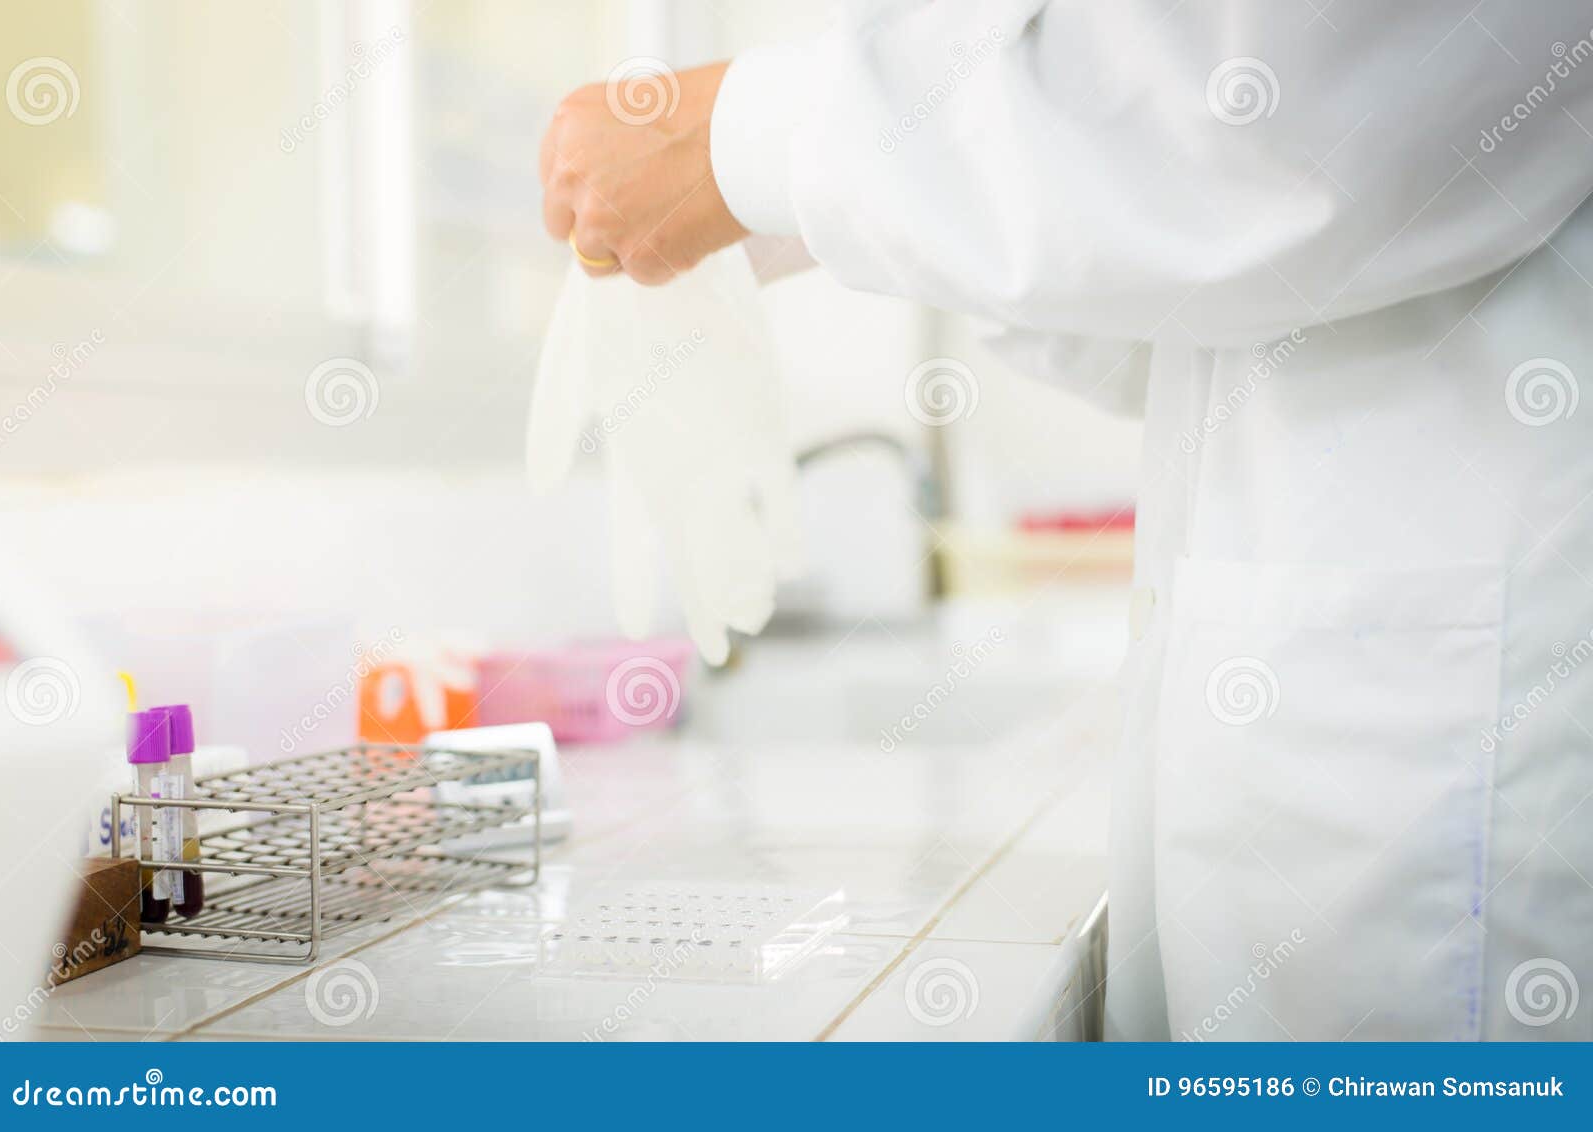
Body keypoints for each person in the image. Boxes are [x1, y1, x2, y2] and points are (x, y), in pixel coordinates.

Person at [538, 2, 1593, 1041]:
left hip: (1472, 809)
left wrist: (748, 134)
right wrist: (809, 195)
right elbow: (1182, 300)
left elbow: (1285, 121)